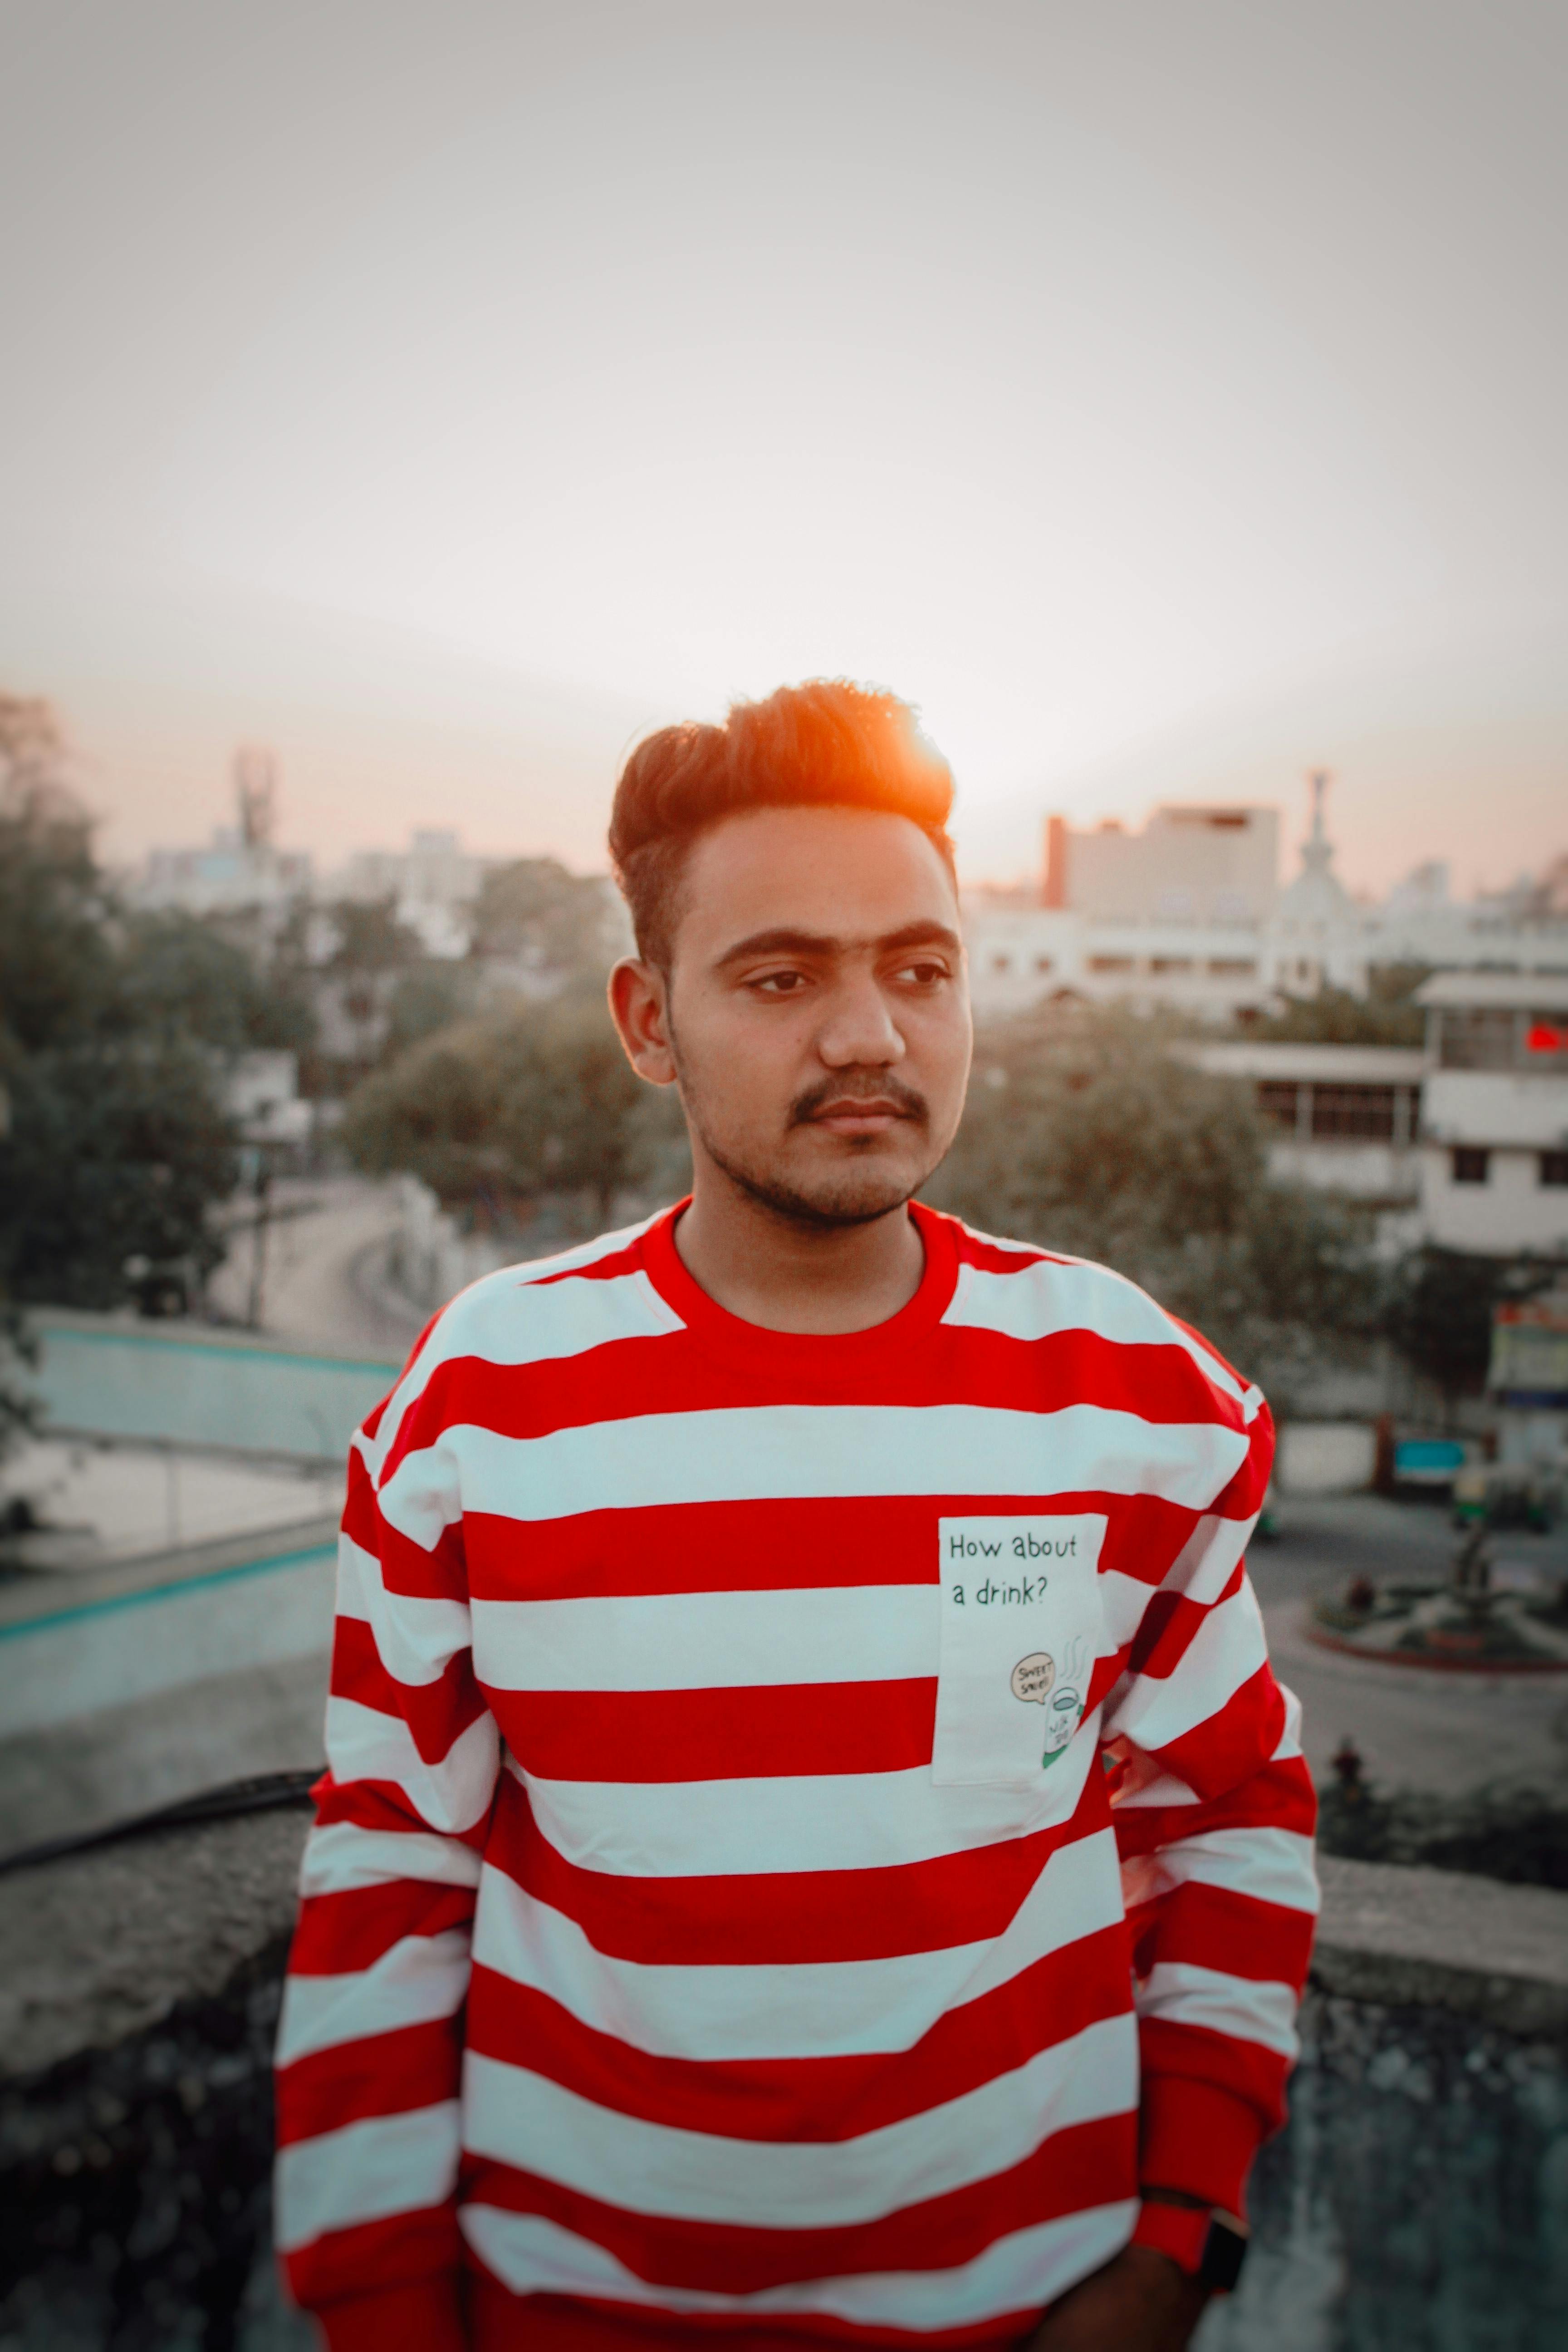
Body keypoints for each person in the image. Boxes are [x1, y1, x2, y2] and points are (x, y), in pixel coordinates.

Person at [274, 681, 1317, 2352]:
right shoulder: (480, 1405)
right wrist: (387, 2313)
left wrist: (1173, 2242)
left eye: (920, 968)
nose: (870, 1038)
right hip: (572, 2314)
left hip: (1034, 2309)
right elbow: (390, 1869)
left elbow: (1232, 1816)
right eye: (780, 977)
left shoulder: (1138, 1398)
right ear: (647, 1020)